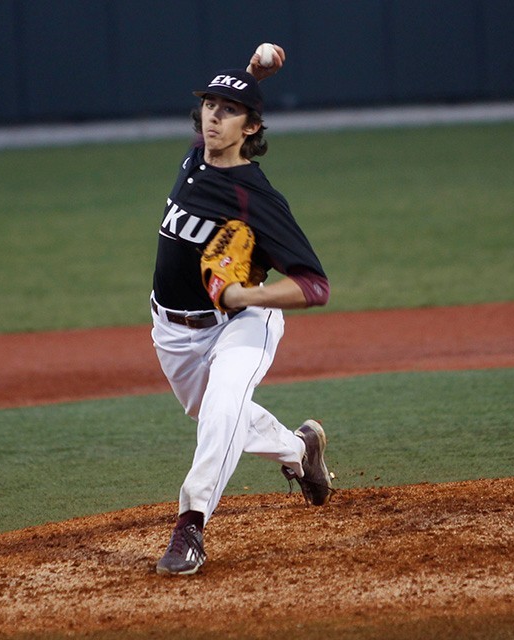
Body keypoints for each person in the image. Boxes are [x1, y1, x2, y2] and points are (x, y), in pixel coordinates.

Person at [150, 44, 332, 576]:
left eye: (228, 111)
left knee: (223, 408)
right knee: (212, 415)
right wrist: (250, 75)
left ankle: (191, 527)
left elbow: (314, 285)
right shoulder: (194, 158)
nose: (213, 116)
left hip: (241, 323)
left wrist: (248, 297)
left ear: (251, 128)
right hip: (171, 329)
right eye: (209, 105)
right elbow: (227, 107)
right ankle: (298, 450)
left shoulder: (256, 197)